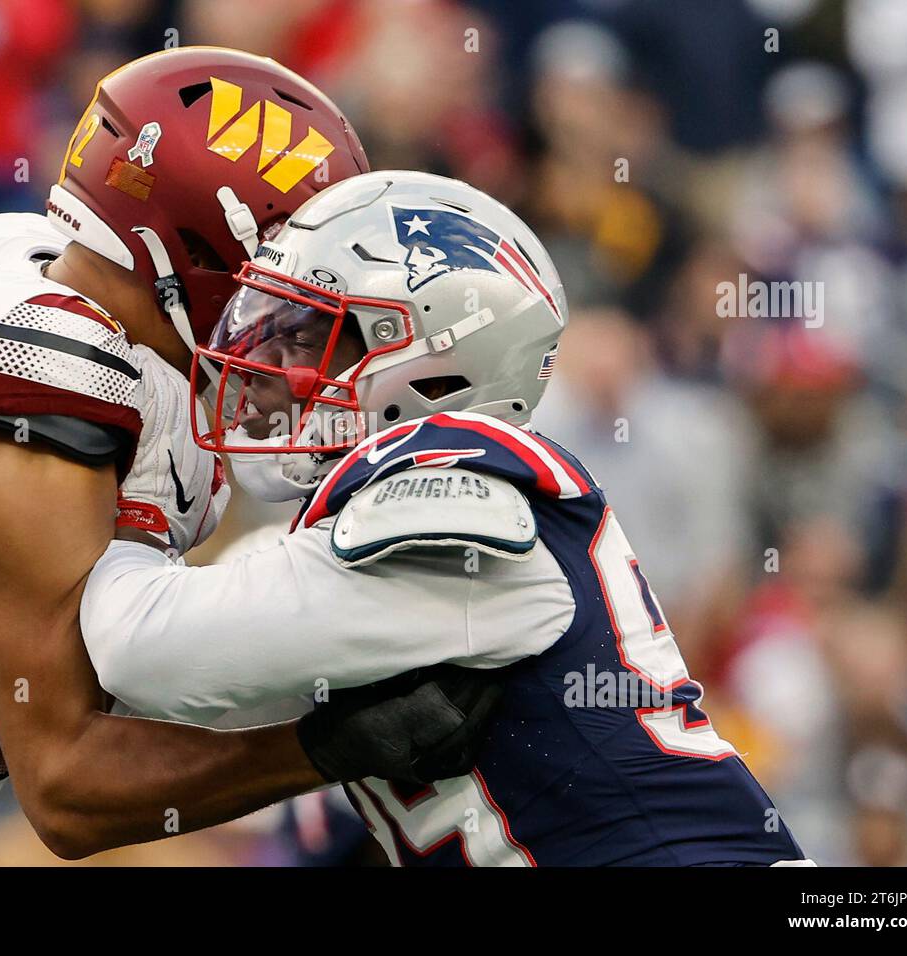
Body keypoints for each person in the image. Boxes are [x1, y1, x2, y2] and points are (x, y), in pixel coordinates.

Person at [0, 49, 500, 866]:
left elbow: (144, 636)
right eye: (294, 269)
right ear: (200, 253)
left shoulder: (38, 267)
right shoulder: (54, 372)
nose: (303, 315)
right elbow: (67, 787)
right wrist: (327, 746)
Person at [81, 170, 812, 866]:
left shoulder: (452, 474)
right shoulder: (390, 523)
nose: (263, 365)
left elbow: (137, 648)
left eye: (302, 336)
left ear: (431, 363)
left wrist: (135, 500)